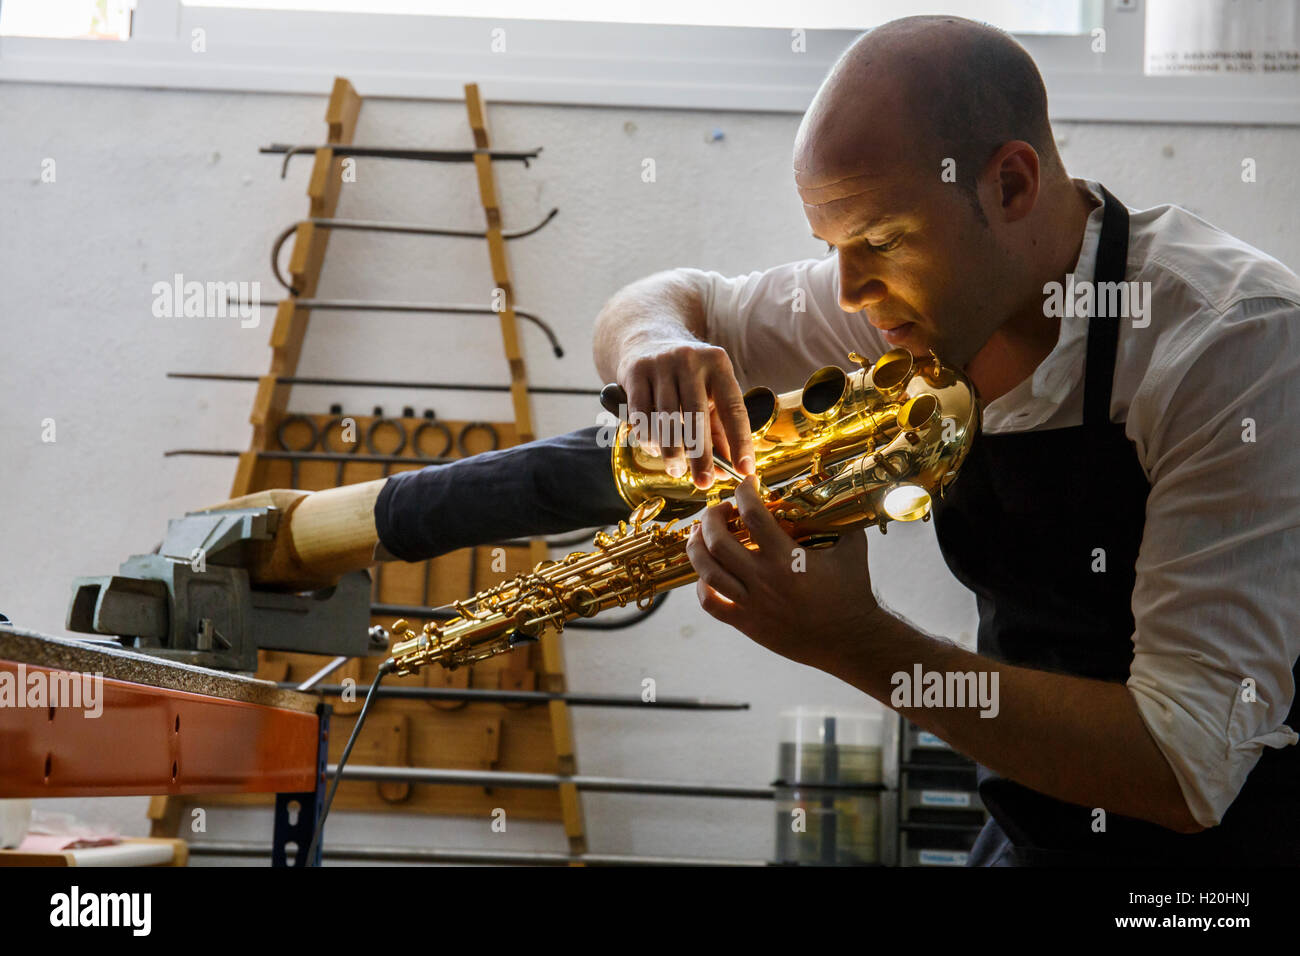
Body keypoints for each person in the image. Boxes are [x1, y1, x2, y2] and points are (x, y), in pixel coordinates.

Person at [376, 16, 1300, 865]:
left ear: (1011, 184)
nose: (848, 290)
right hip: (1039, 819)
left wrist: (854, 642)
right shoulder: (902, 297)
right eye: (829, 245)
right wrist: (654, 343)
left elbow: (1188, 765)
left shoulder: (1230, 342)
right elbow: (679, 296)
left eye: (880, 239)